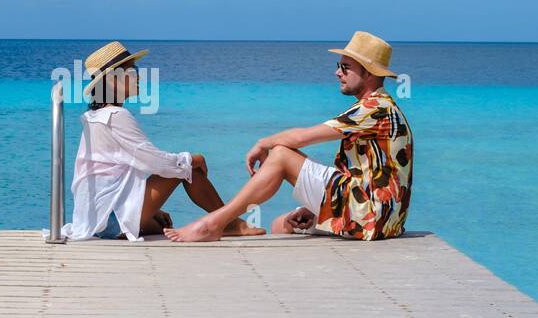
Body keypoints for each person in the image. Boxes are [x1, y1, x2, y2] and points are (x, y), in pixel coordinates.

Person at [164, 31, 413, 243]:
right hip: (380, 219)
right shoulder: (375, 108)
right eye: (339, 66)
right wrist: (314, 205)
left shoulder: (376, 108)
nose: (338, 73)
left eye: (345, 67)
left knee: (282, 155)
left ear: (369, 73)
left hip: (372, 215)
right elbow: (364, 174)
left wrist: (264, 143)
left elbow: (303, 137)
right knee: (281, 225)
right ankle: (229, 223)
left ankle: (215, 223)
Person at [65, 41, 265, 241]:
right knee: (187, 169)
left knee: (162, 224)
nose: (139, 77)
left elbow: (118, 172)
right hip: (110, 219)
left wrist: (152, 209)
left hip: (95, 222)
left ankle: (216, 222)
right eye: (132, 71)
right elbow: (157, 163)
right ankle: (228, 222)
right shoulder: (116, 115)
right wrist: (195, 159)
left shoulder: (95, 116)